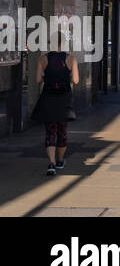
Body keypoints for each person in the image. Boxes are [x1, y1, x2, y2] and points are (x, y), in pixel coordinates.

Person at [31, 30, 79, 176]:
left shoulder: (42, 59)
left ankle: (51, 163)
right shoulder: (71, 59)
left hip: (48, 97)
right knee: (62, 131)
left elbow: (38, 80)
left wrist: (49, 77)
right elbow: (76, 80)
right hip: (64, 98)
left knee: (50, 131)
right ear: (63, 43)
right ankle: (60, 161)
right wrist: (66, 76)